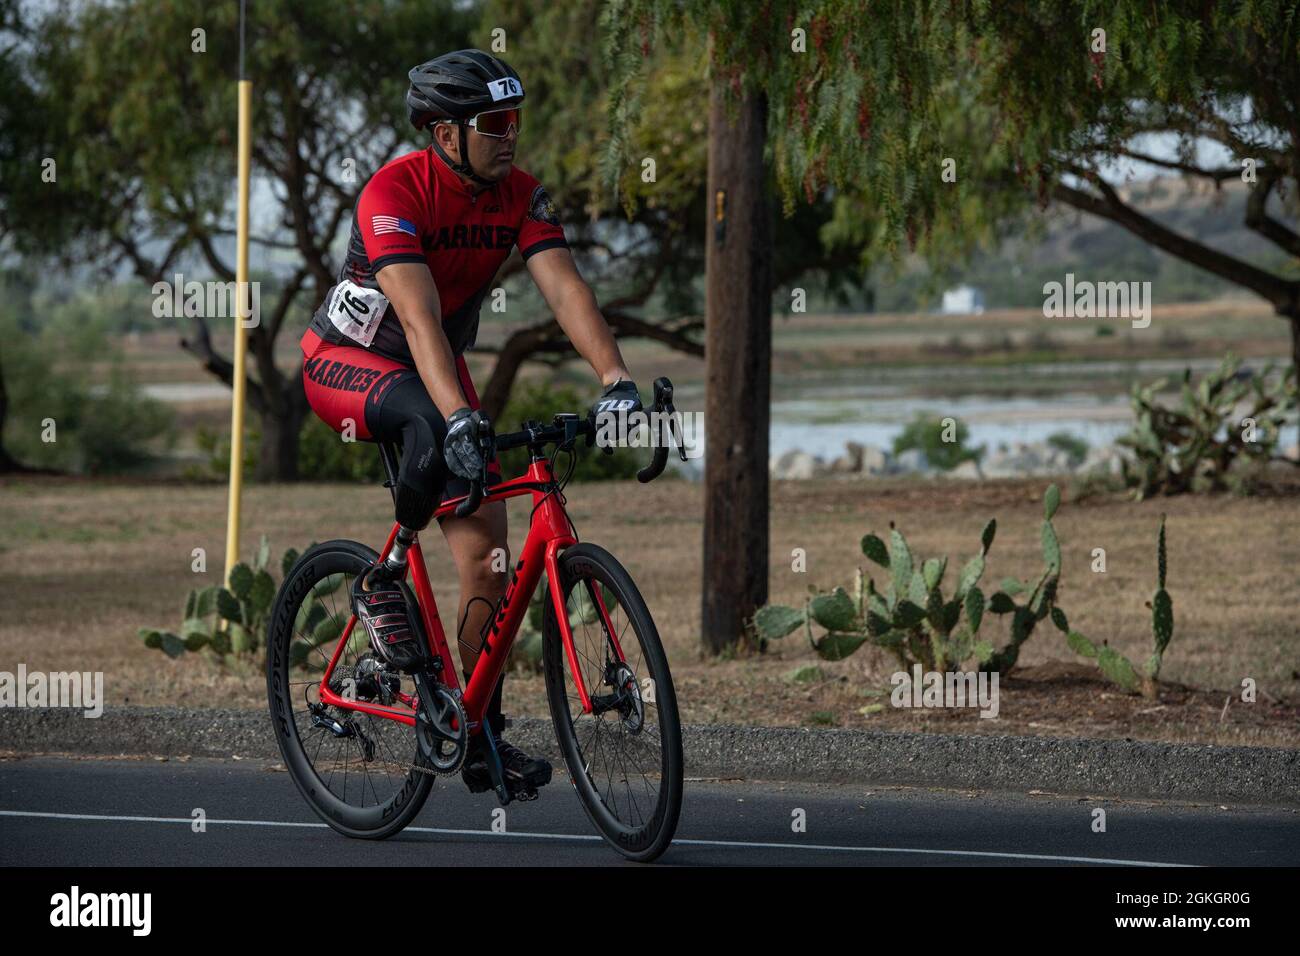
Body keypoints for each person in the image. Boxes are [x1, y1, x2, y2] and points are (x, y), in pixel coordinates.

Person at [300, 49, 642, 796]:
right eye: (494, 122)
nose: (510, 134)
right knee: (431, 422)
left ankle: (469, 721)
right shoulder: (394, 193)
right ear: (444, 133)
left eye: (516, 119)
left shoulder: (520, 194)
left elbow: (566, 289)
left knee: (488, 553)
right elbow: (420, 322)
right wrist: (458, 414)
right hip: (350, 363)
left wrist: (616, 381)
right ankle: (382, 581)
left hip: (433, 371)